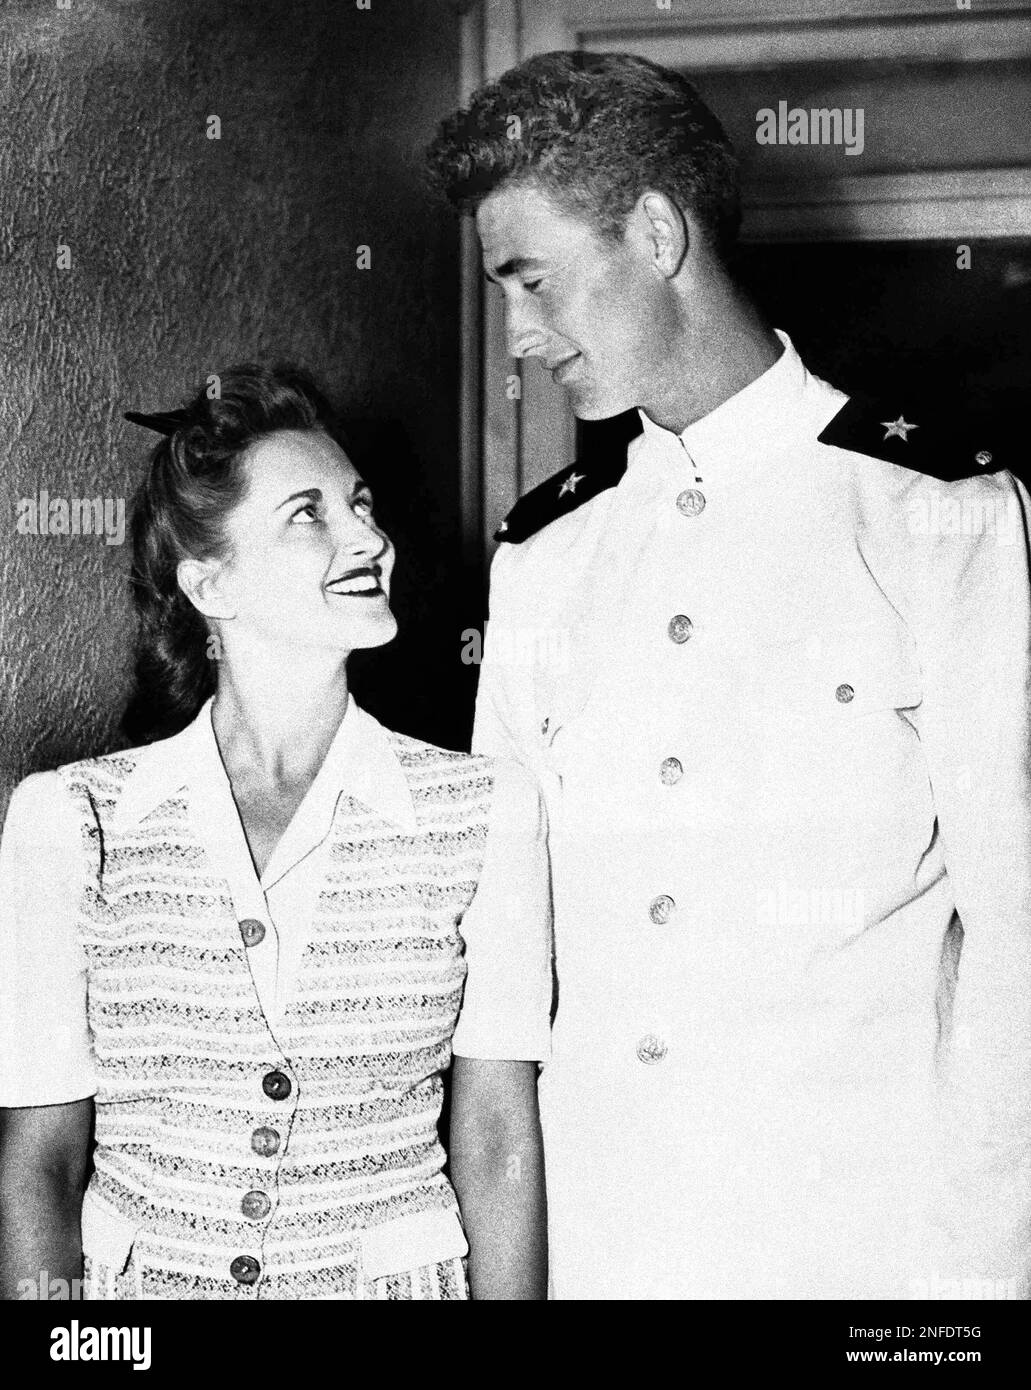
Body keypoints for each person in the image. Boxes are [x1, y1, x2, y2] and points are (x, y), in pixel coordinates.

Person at [427, 51, 1031, 1300]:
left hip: (861, 1265)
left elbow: (1014, 950)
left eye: (531, 281)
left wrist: (973, 1300)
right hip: (606, 1254)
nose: (520, 336)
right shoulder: (543, 558)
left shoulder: (932, 513)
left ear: (656, 233)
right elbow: (502, 978)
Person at [0, 364, 550, 1301]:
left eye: (361, 506)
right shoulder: (72, 821)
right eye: (309, 514)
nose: (368, 537)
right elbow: (40, 1164)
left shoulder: (486, 809)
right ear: (209, 581)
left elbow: (498, 1140)